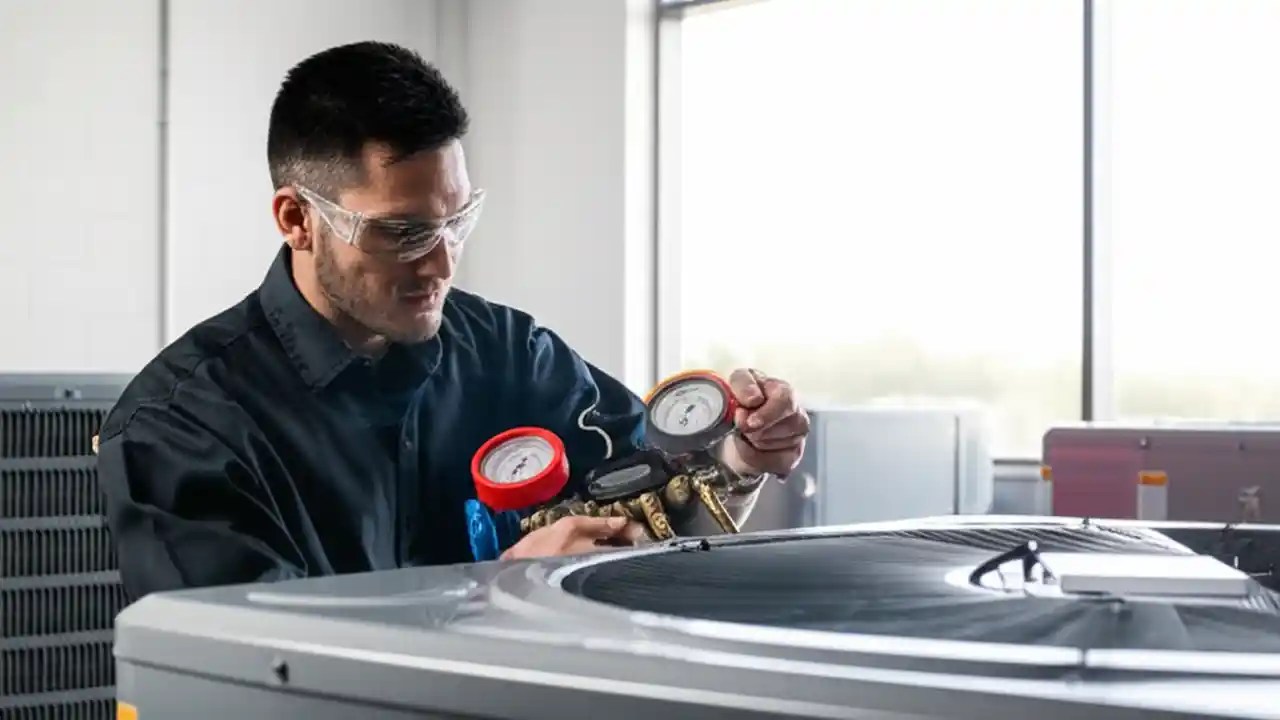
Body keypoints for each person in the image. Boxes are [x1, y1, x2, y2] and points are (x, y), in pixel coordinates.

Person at [96, 41, 810, 602]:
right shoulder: (181, 429)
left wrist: (743, 459)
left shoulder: (511, 354)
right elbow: (248, 681)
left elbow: (660, 515)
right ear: (297, 219)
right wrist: (493, 592)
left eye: (457, 221)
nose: (441, 264)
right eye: (402, 233)